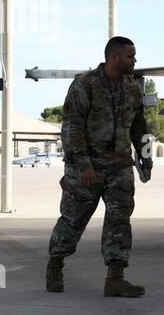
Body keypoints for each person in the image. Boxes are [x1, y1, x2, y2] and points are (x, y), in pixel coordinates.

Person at [46, 36, 152, 296]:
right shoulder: (85, 85)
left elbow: (139, 126)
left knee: (119, 220)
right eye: (130, 56)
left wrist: (146, 156)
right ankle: (55, 264)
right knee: (73, 221)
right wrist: (83, 165)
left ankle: (115, 278)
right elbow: (71, 127)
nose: (134, 61)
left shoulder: (133, 87)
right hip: (87, 169)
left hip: (119, 168)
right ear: (113, 57)